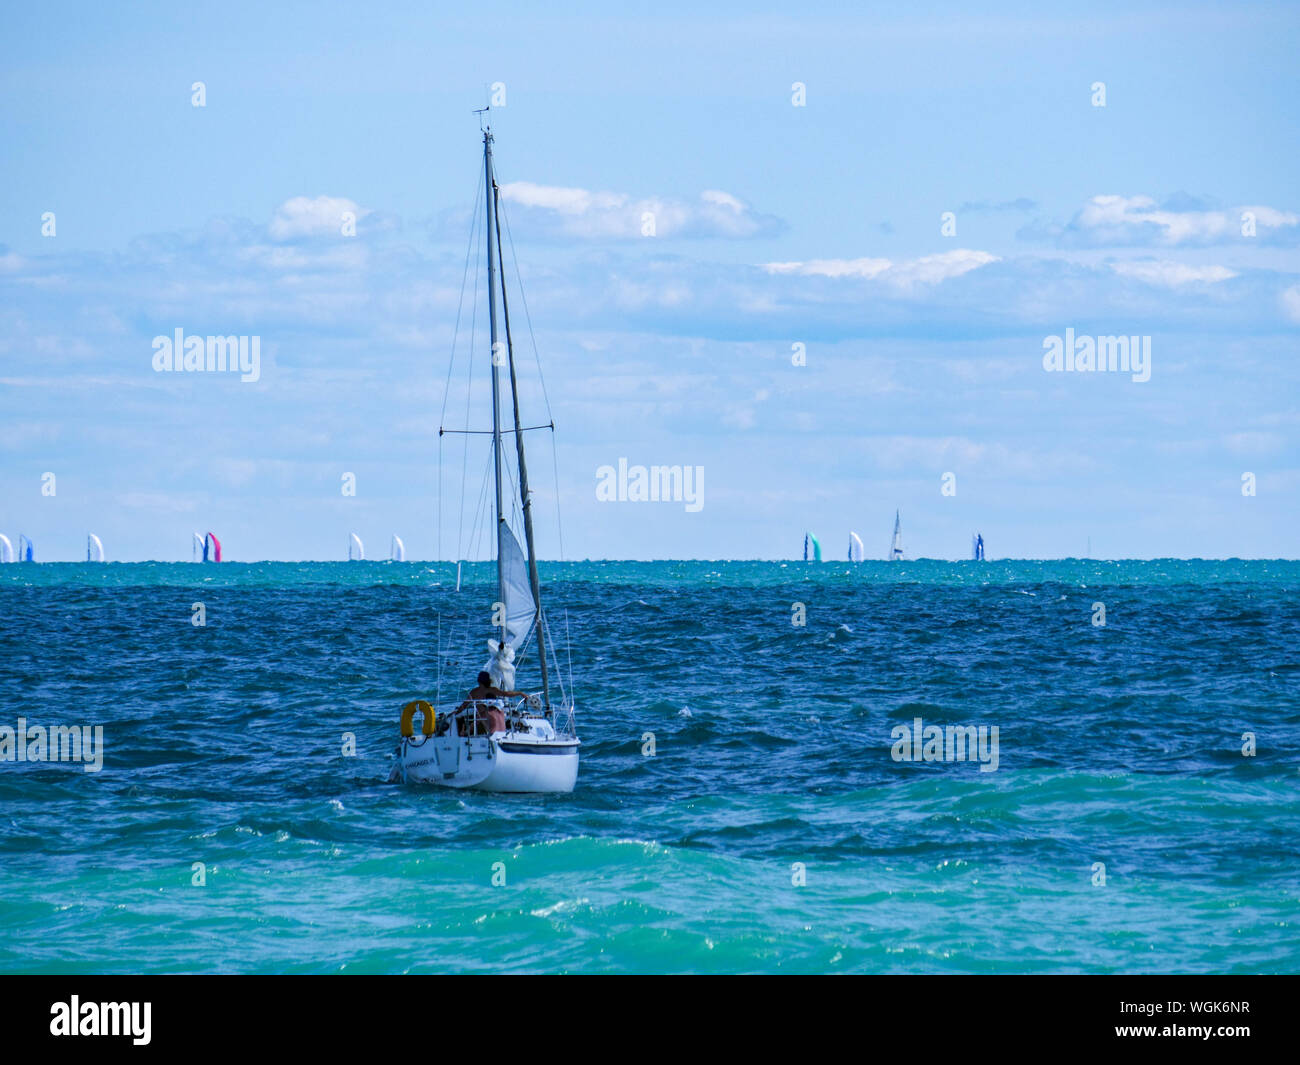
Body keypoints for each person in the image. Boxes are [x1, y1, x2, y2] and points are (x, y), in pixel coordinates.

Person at [456, 671, 525, 735]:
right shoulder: (492, 690)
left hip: (482, 719)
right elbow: (506, 694)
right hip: (490, 718)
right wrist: (520, 693)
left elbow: (464, 705)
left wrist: (455, 713)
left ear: (479, 681)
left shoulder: (474, 692)